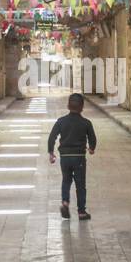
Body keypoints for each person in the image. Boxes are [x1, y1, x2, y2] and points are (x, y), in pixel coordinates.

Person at [47, 92, 96, 220]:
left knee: (66, 181)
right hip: (79, 157)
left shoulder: (61, 121)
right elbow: (92, 138)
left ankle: (65, 202)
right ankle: (81, 212)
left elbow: (52, 137)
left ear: (68, 106)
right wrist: (91, 148)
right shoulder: (86, 123)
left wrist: (51, 152)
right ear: (82, 107)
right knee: (80, 185)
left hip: (65, 157)